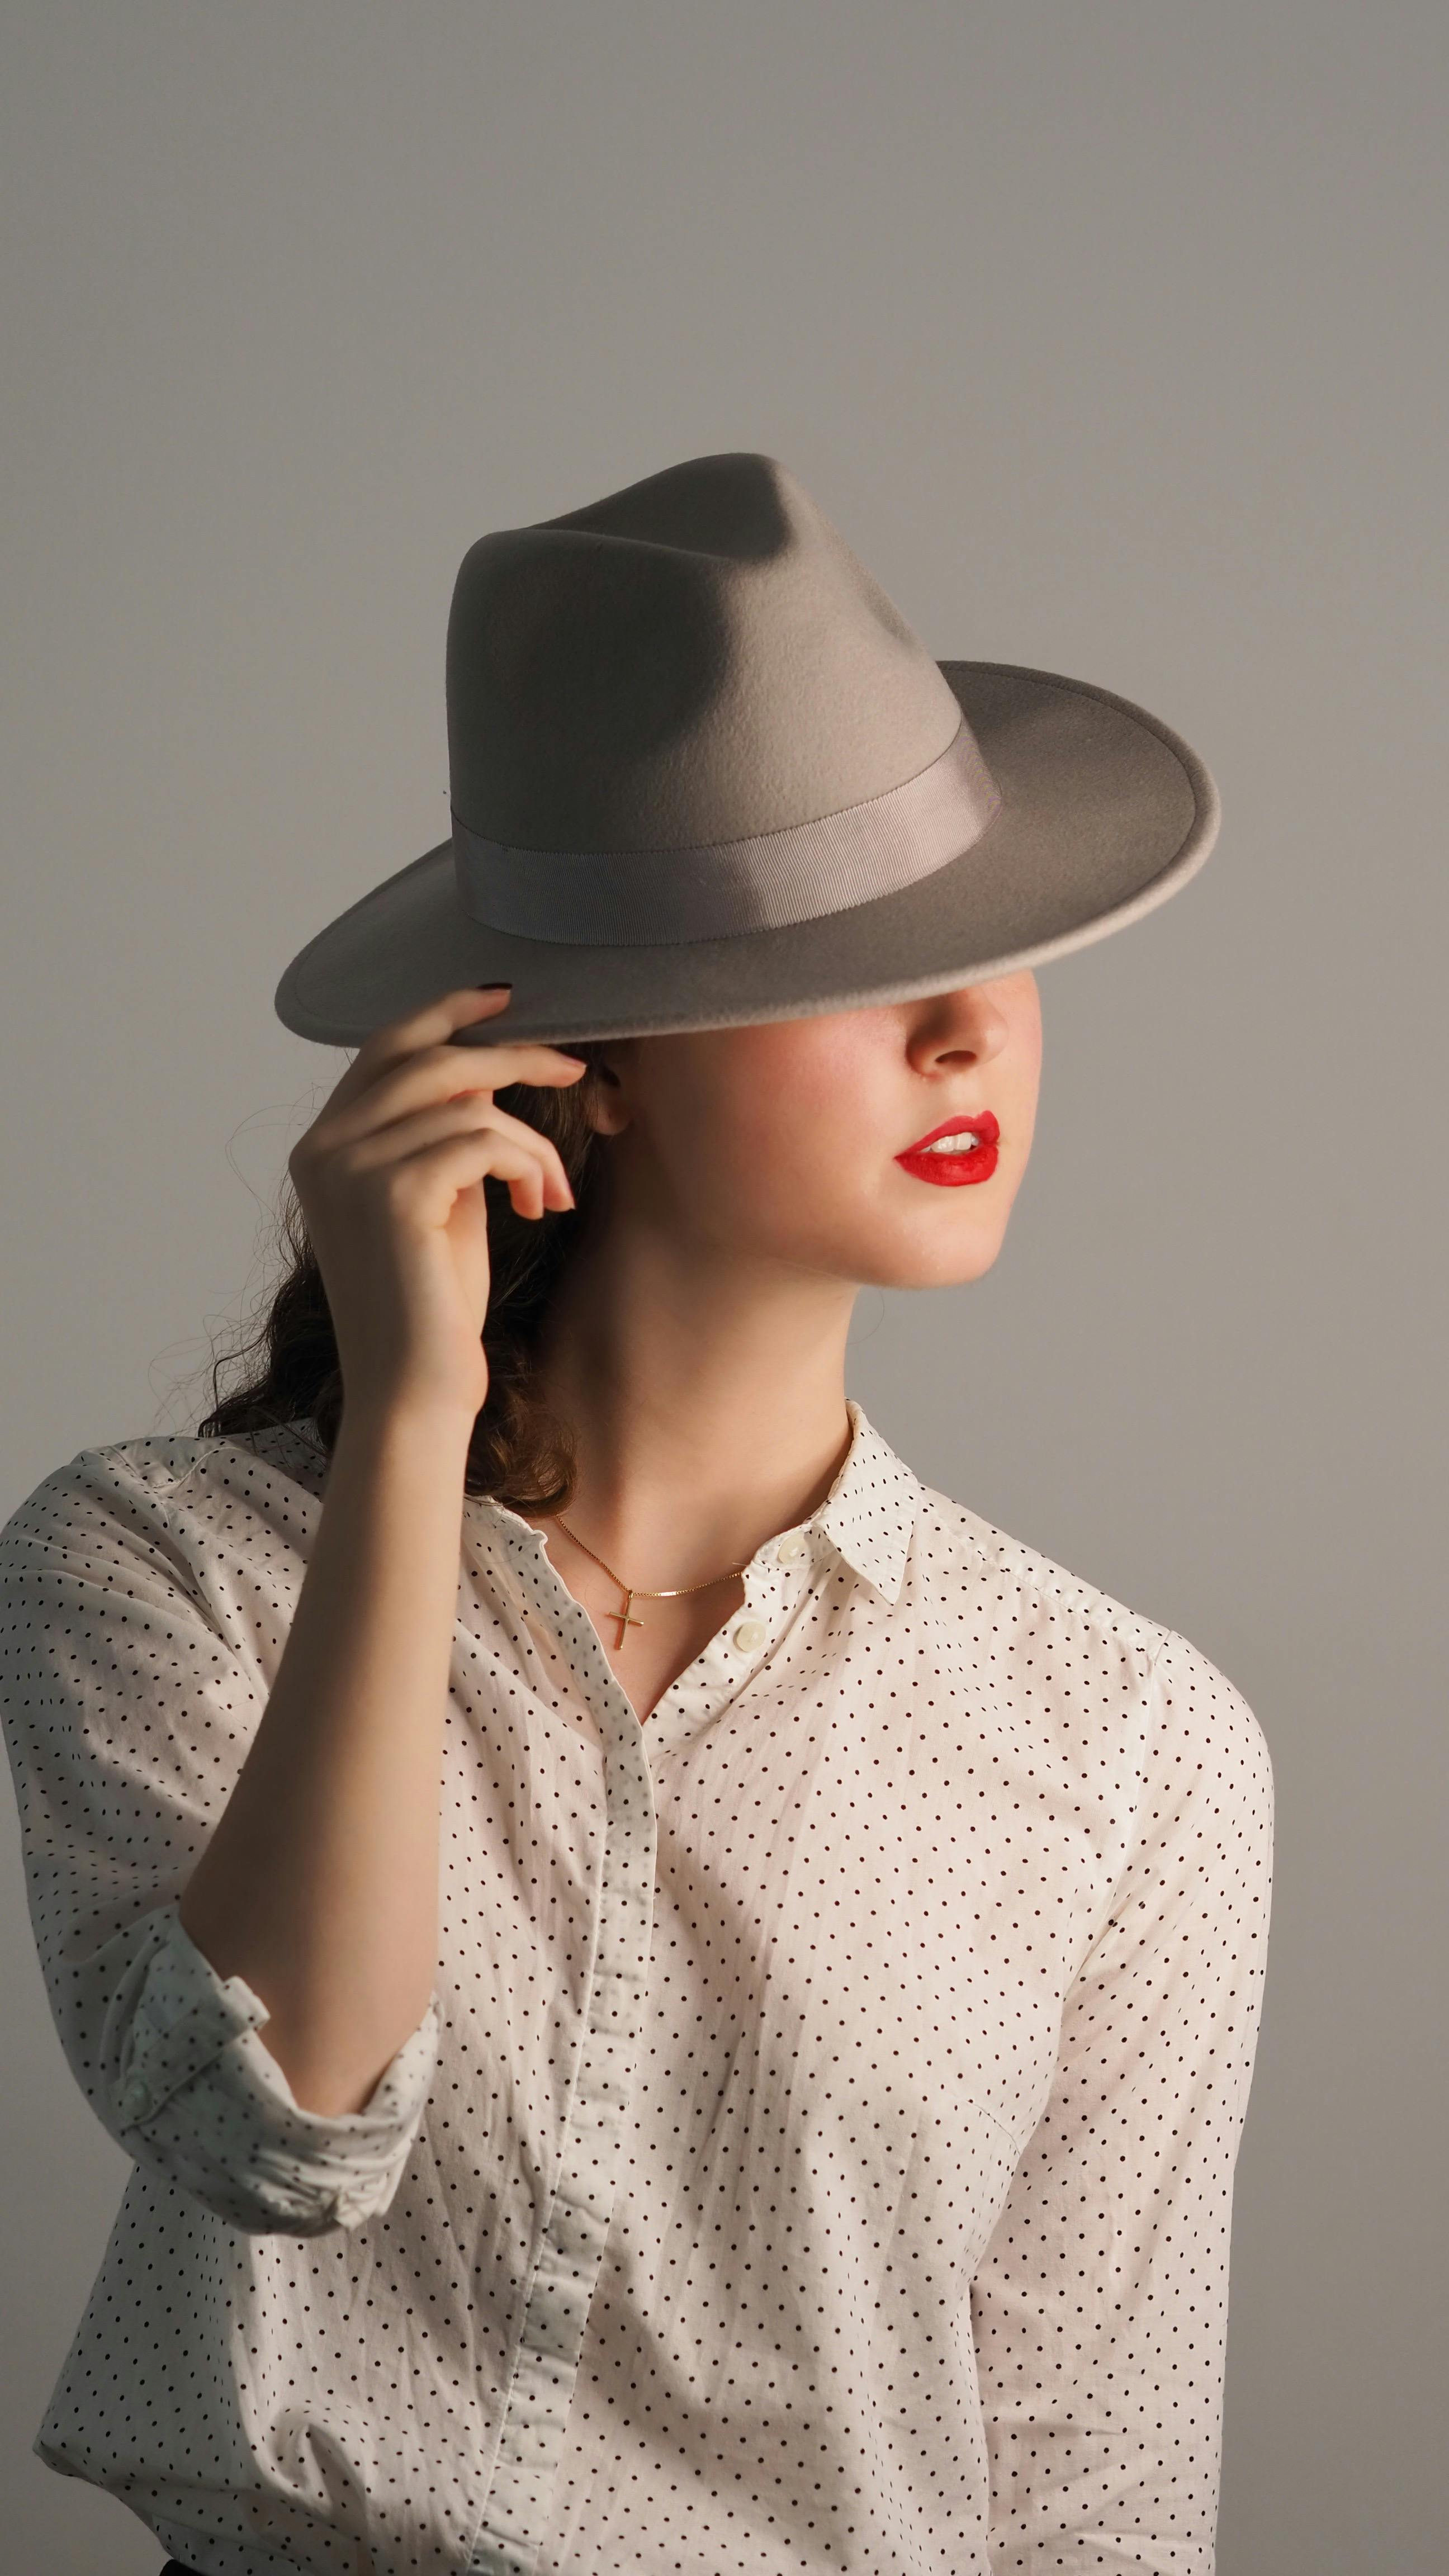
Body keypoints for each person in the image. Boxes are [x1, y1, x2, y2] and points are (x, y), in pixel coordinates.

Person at [0, 452, 1273, 2576]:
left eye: (995, 953)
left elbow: (1100, 2503)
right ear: (591, 1058)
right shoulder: (161, 1572)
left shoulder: (1129, 1749)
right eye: (862, 966)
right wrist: (412, 1416)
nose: (973, 1035)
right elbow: (277, 2128)